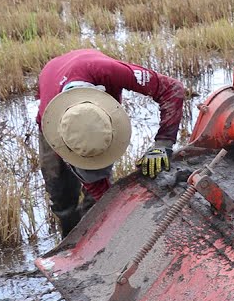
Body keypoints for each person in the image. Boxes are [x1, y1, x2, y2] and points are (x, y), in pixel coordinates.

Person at [36, 49, 186, 234]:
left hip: (91, 83)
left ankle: (98, 235)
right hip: (51, 103)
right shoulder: (52, 124)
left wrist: (163, 145)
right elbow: (95, 185)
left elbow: (173, 89)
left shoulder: (109, 71)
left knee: (98, 201)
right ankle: (71, 242)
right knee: (62, 198)